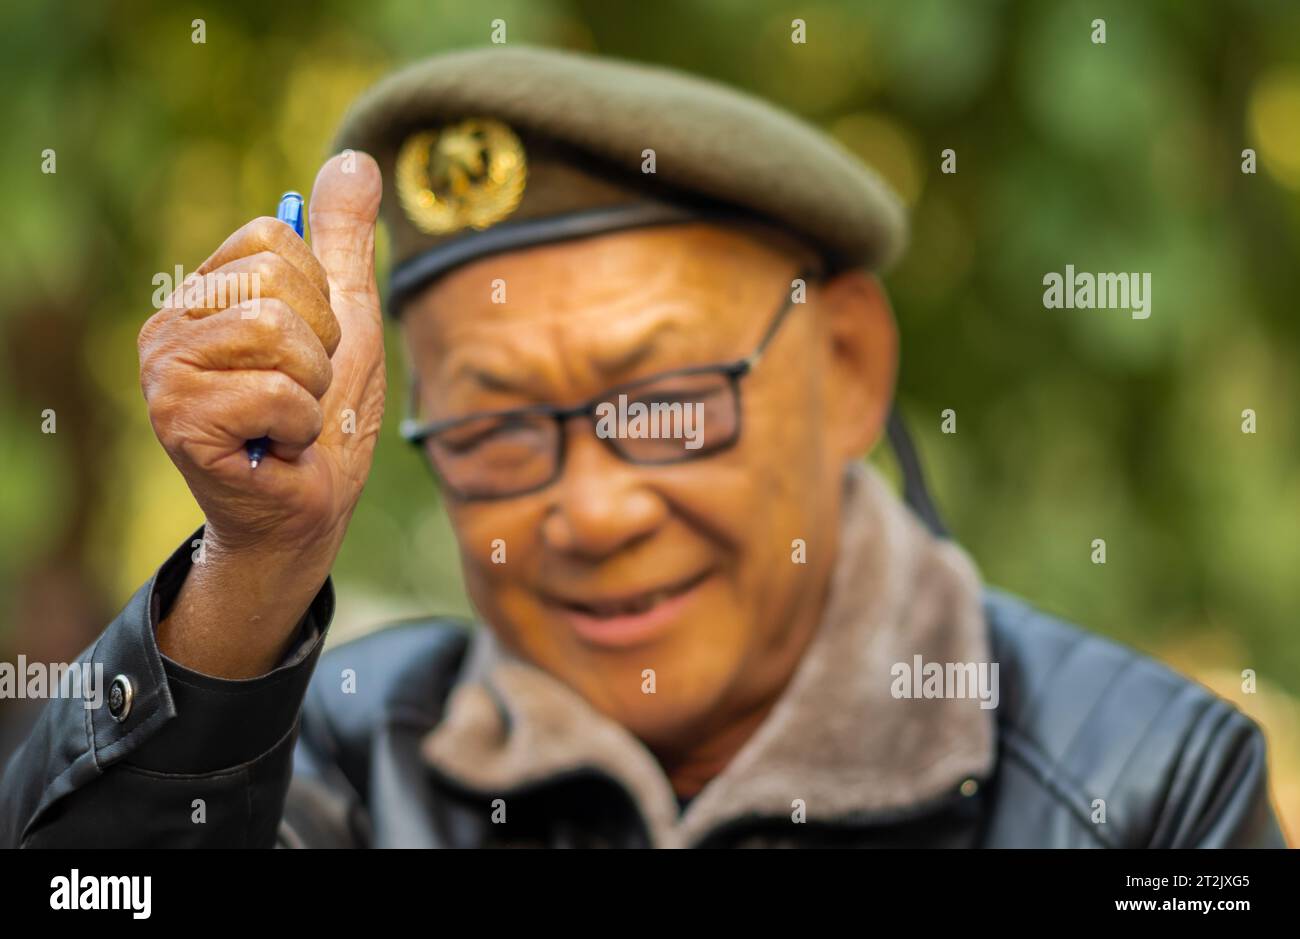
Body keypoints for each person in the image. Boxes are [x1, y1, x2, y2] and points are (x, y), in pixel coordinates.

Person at [0, 46, 1284, 848]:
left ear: (844, 369)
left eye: (664, 405)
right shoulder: (341, 759)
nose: (594, 512)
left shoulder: (1139, 786)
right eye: (498, 428)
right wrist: (253, 570)